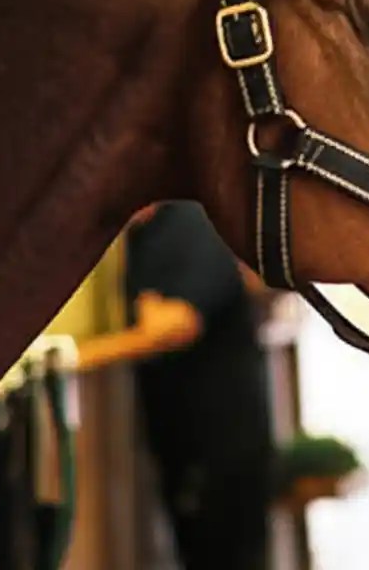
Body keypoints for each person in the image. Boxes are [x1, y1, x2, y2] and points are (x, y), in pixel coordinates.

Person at [124, 201, 275, 570]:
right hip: (193, 450)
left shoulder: (190, 223)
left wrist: (75, 357)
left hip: (219, 449)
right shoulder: (149, 233)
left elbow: (173, 325)